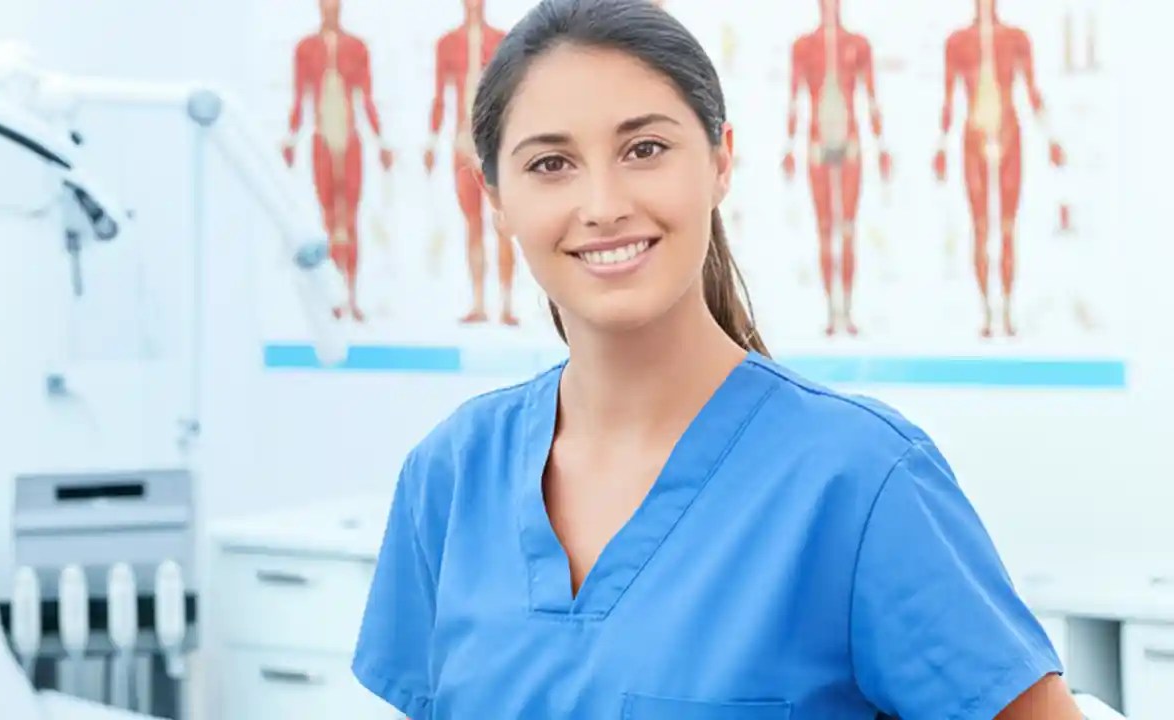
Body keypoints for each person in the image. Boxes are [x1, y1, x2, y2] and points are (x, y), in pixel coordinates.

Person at [352, 1, 1079, 717]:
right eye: (551, 163)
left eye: (644, 149)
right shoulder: (451, 474)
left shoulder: (860, 482)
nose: (603, 204)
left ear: (721, 159)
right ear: (496, 199)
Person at [934, 0, 1065, 338]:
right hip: (974, 140)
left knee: (1006, 228)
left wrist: (1051, 136)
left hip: (1009, 138)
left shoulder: (1016, 39)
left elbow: (1032, 91)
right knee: (980, 227)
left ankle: (1006, 311)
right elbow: (949, 99)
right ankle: (986, 312)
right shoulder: (958, 42)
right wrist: (940, 145)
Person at [783, 0, 891, 338]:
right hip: (817, 142)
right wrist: (788, 147)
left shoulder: (857, 45)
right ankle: (832, 312)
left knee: (847, 228)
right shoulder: (804, 47)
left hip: (850, 141)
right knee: (825, 229)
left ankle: (847, 311)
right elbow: (794, 99)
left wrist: (881, 144)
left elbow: (871, 97)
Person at [283, 0, 395, 322]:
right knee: (329, 218)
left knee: (351, 219)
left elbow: (366, 100)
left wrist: (381, 142)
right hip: (321, 138)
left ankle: (351, 296)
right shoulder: (306, 49)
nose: (330, 8)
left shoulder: (356, 48)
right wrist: (291, 140)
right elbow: (300, 100)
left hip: (350, 139)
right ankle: (332, 298)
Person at [425, 0, 519, 326]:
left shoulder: (503, 40)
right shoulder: (447, 44)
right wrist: (430, 140)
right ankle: (478, 302)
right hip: (463, 142)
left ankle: (506, 304)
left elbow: (513, 95)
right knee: (473, 223)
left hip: (496, 144)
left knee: (503, 222)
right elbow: (441, 95)